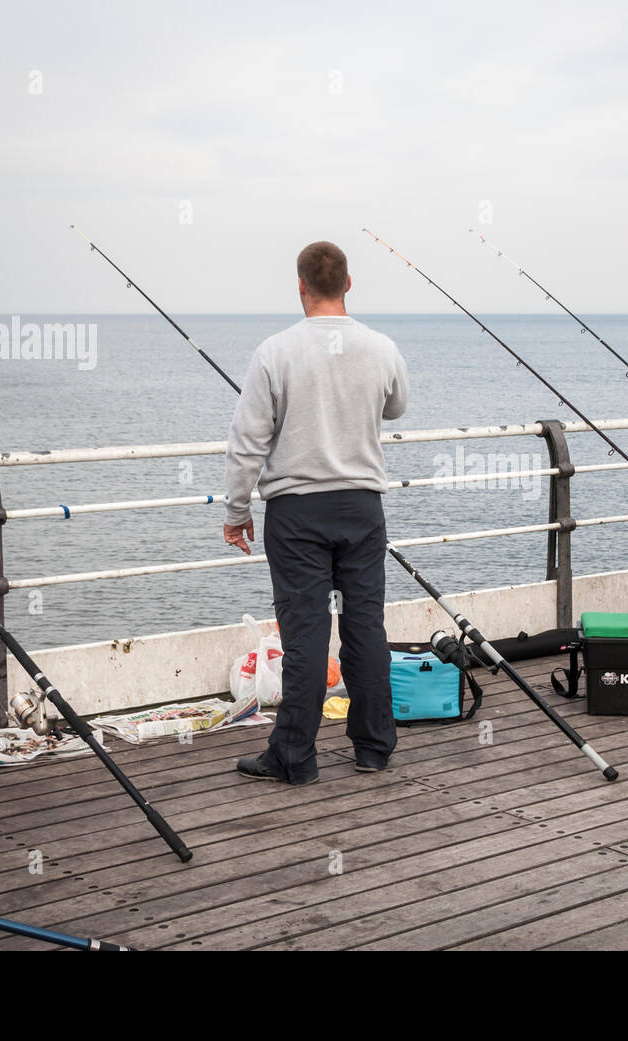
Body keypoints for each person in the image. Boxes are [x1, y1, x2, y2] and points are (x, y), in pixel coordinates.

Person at [224, 241, 409, 784]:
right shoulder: (380, 347)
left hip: (296, 512)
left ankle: (294, 757)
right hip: (361, 507)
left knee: (304, 634)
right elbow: (396, 405)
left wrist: (237, 510)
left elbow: (247, 442)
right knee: (365, 626)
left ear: (300, 286)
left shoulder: (274, 352)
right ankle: (374, 746)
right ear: (348, 284)